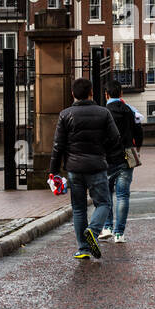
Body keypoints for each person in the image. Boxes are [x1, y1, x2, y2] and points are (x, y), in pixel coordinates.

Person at [49, 77, 122, 260]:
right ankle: (93, 230)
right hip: (97, 166)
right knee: (103, 203)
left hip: (74, 168)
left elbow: (58, 145)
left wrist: (53, 171)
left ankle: (83, 248)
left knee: (79, 208)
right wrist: (103, 151)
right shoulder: (103, 113)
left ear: (73, 94)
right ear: (91, 93)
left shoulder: (65, 115)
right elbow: (115, 138)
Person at [99, 79, 143, 244]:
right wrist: (138, 147)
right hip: (128, 153)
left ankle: (108, 227)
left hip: (108, 156)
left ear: (106, 94)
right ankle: (119, 233)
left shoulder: (104, 111)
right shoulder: (129, 110)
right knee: (123, 195)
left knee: (106, 193)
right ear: (121, 94)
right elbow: (138, 131)